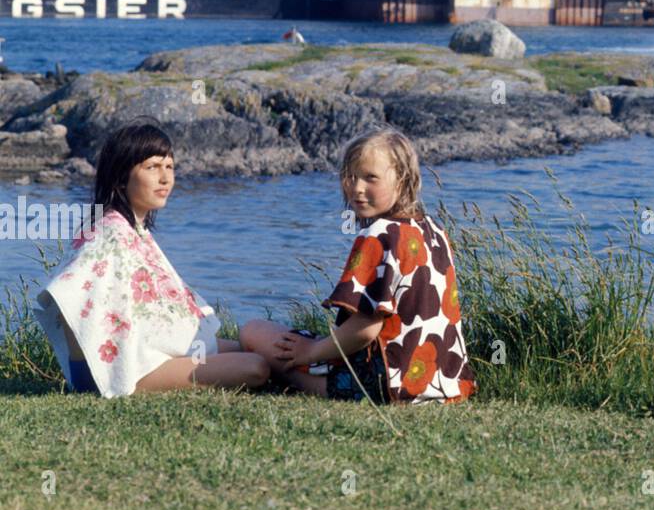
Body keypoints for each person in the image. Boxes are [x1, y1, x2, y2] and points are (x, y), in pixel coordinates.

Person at [35, 118, 271, 396]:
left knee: (257, 345)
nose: (165, 178)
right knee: (255, 366)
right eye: (152, 167)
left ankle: (322, 372)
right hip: (118, 371)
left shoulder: (132, 228)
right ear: (121, 177)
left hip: (140, 356)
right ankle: (323, 378)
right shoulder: (110, 234)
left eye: (169, 166)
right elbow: (66, 293)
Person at [241, 128, 476, 405]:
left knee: (253, 331)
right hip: (444, 385)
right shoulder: (433, 229)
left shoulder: (379, 234)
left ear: (402, 180)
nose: (357, 188)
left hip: (381, 386)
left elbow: (366, 327)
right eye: (350, 176)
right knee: (258, 342)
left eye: (370, 178)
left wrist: (311, 351)